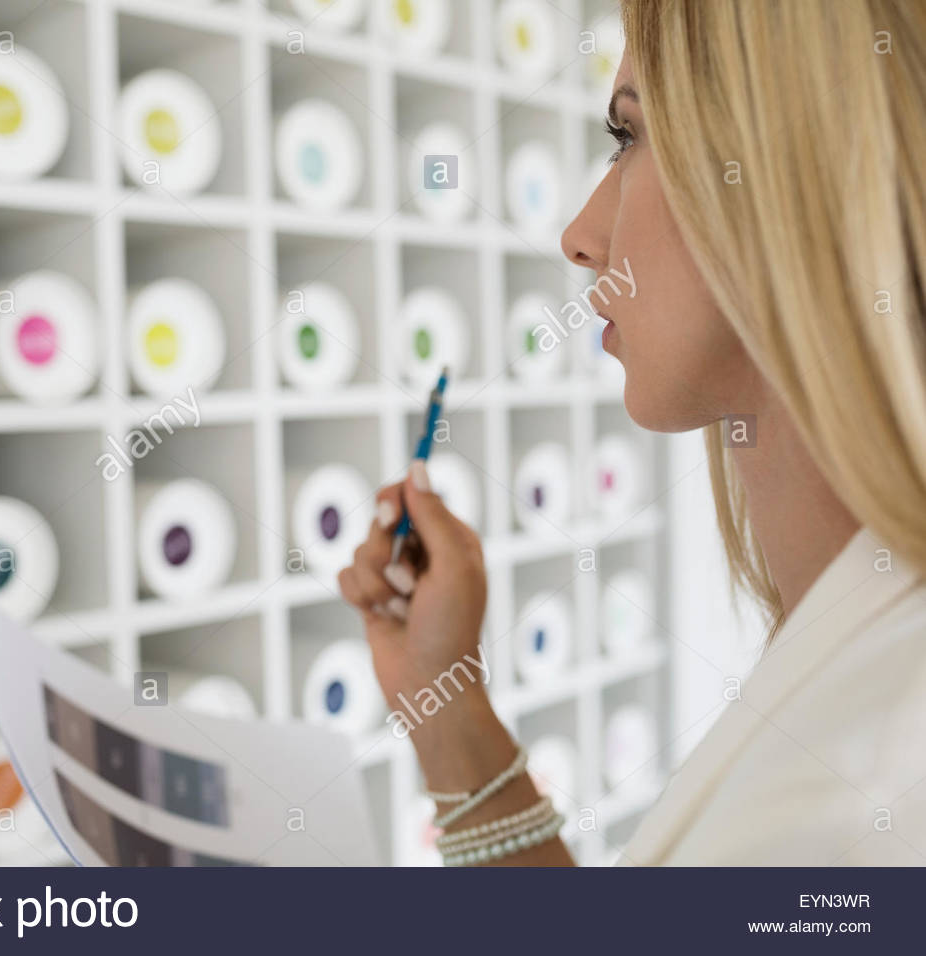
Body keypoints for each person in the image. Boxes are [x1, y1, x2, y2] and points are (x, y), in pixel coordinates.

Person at [339, 0, 926, 865]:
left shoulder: (870, 781)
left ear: (798, 179)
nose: (581, 237)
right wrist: (446, 705)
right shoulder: (857, 651)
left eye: (630, 139)